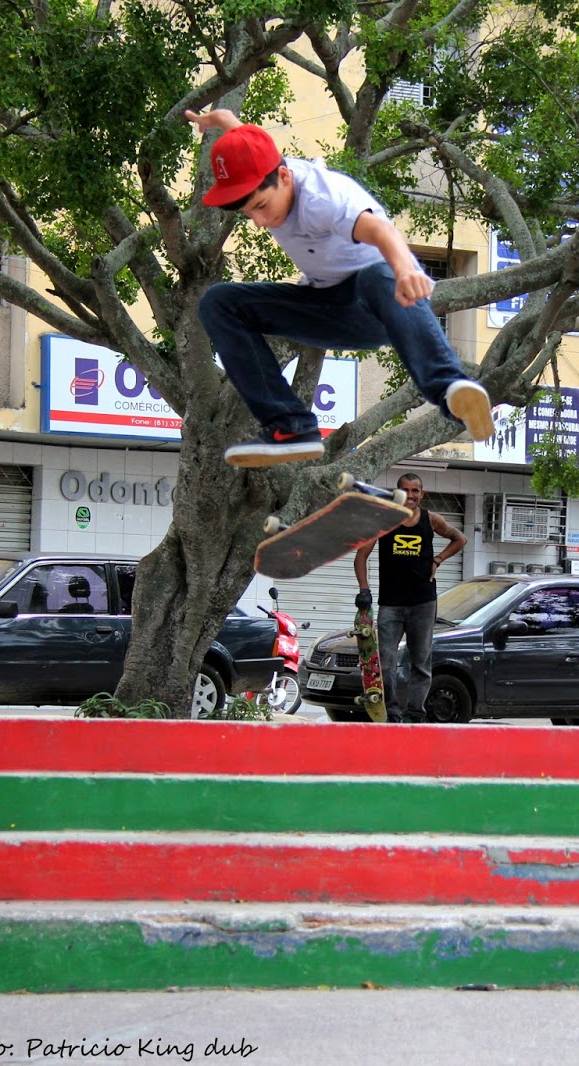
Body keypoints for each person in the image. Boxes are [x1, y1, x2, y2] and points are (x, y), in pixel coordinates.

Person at [187, 109, 495, 467]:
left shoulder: (323, 198)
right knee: (218, 302)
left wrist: (404, 270)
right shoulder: (269, 172)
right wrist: (228, 124)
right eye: (248, 212)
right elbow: (253, 148)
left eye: (261, 207)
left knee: (376, 274)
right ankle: (290, 427)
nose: (258, 221)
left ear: (285, 177)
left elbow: (382, 232)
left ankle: (450, 389)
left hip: (380, 303)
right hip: (326, 307)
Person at [352, 473, 466, 723]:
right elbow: (361, 556)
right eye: (406, 490)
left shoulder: (432, 520)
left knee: (421, 661)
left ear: (422, 494)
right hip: (391, 604)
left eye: (416, 491)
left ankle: (415, 712)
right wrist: (364, 590)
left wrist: (438, 560)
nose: (411, 495)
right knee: (386, 662)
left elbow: (460, 539)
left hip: (423, 602)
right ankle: (391, 710)